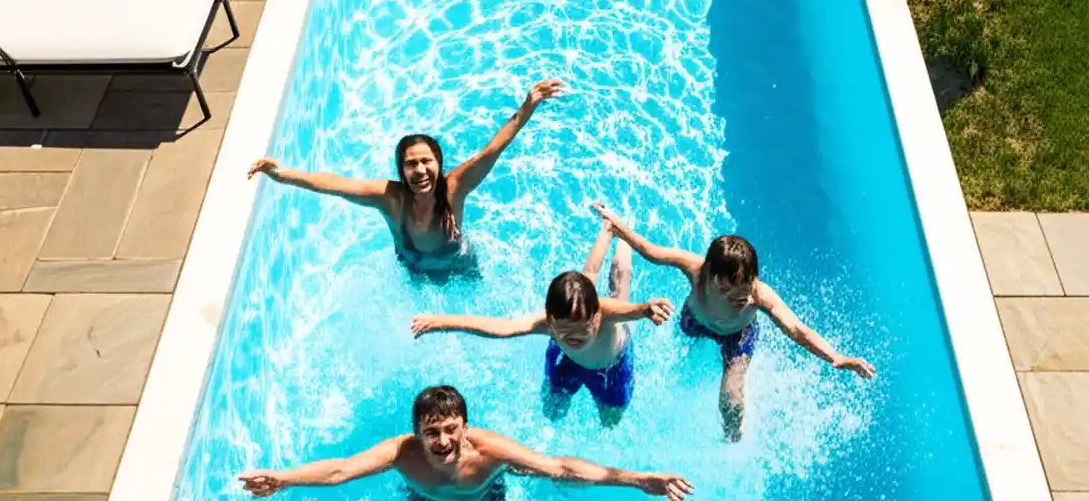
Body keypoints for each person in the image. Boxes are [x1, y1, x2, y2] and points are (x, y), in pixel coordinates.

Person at [592, 203, 875, 442]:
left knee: (732, 395)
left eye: (744, 291)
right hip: (696, 321)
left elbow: (796, 329)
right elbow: (651, 251)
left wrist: (836, 357)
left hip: (736, 335)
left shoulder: (759, 296)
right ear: (711, 275)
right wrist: (618, 227)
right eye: (728, 292)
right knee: (687, 353)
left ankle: (731, 439)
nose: (739, 299)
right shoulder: (695, 270)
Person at [247, 79, 565, 271]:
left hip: (459, 265)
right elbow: (337, 185)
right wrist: (283, 173)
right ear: (401, 171)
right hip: (413, 272)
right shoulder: (390, 198)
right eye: (411, 164)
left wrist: (527, 108)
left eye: (426, 161)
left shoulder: (455, 187)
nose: (420, 170)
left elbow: (491, 150)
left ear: (439, 164)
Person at [411, 221, 672, 426]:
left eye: (584, 329)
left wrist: (647, 310)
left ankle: (622, 233)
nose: (575, 338)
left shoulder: (606, 312)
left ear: (595, 316)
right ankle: (608, 231)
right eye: (564, 332)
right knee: (552, 413)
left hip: (610, 367)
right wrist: (442, 320)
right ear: (550, 321)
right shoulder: (549, 322)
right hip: (568, 361)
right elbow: (501, 328)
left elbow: (637, 308)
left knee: (609, 423)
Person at [237, 385, 694, 501]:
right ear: (417, 434)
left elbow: (559, 467)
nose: (441, 441)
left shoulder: (489, 451)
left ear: (465, 427)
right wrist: (282, 479)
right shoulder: (402, 455)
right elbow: (340, 470)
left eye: (450, 429)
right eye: (431, 432)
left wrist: (639, 481)